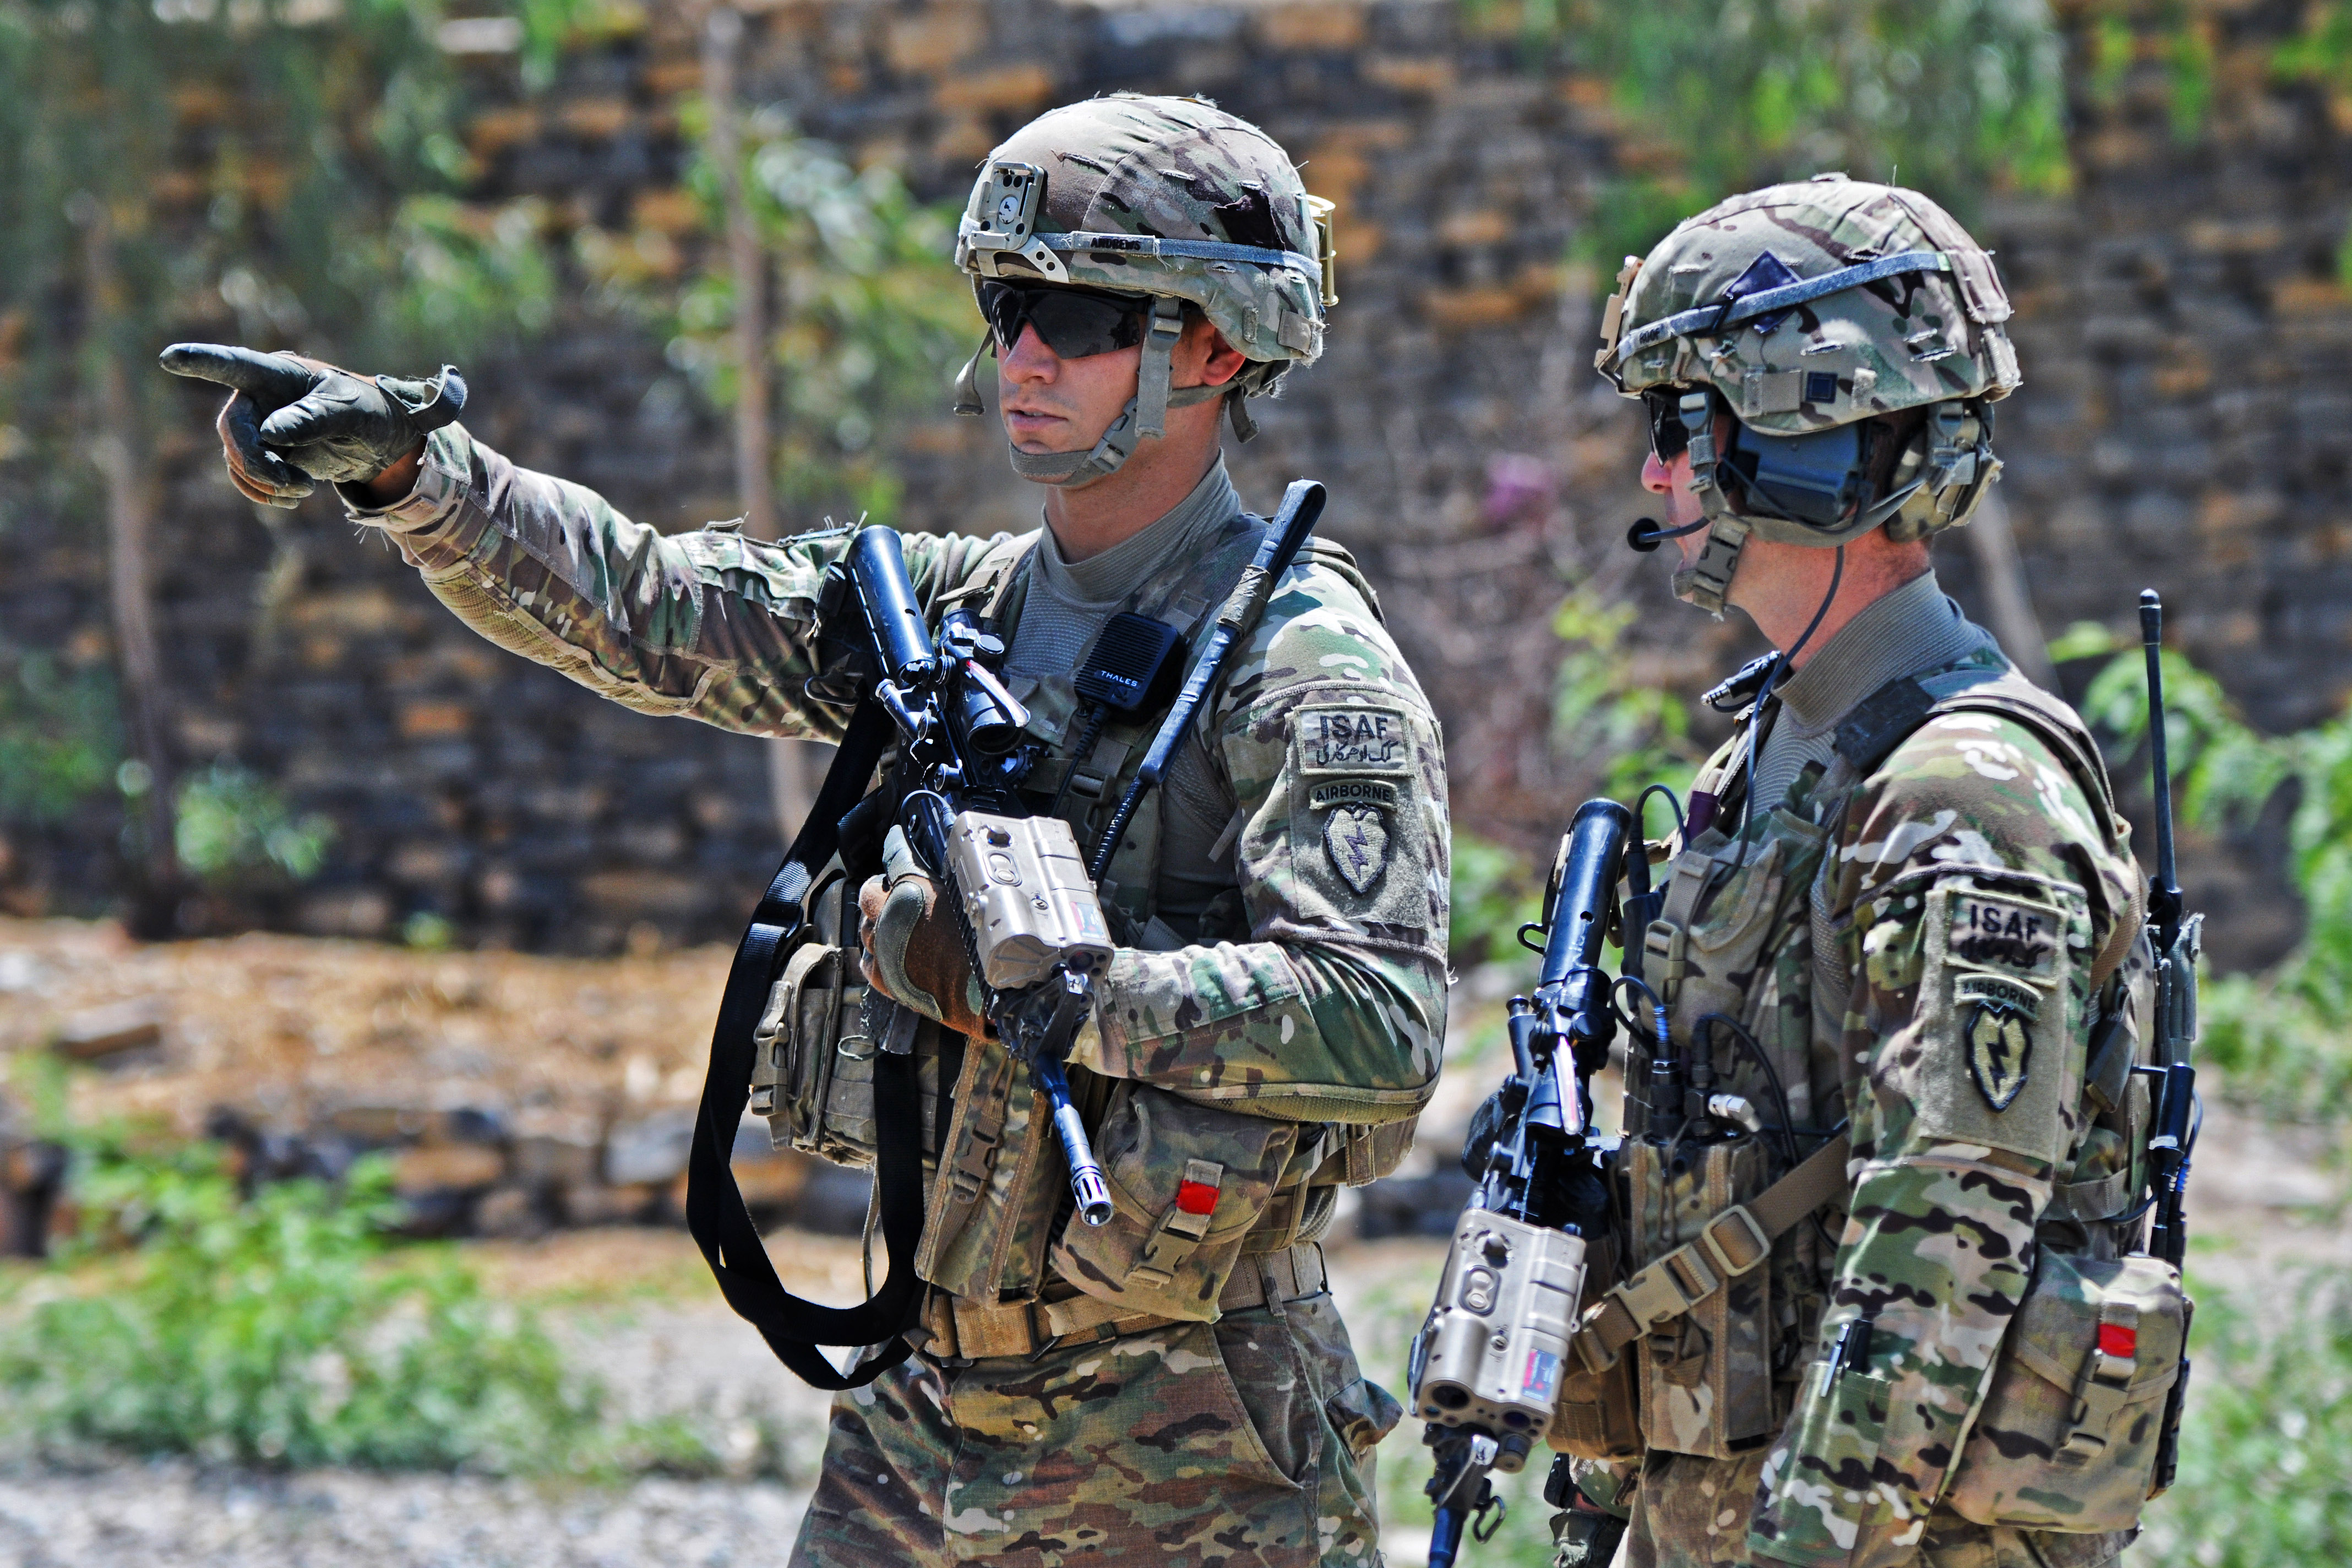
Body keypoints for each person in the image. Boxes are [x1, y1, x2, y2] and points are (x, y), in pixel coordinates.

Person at [165, 94, 1445, 1566]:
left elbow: (1379, 1016)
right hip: (925, 1393)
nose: (1026, 353)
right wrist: (413, 477)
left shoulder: (1299, 661)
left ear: (1218, 348)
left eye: (1083, 317)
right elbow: (653, 611)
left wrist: (1046, 984)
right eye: (1008, 306)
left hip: (1193, 1434)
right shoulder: (953, 612)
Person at [1558, 177, 2164, 1568]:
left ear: (1801, 441)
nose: (1655, 475)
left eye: (1680, 425)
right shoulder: (1778, 750)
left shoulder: (1965, 792)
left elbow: (1941, 1241)